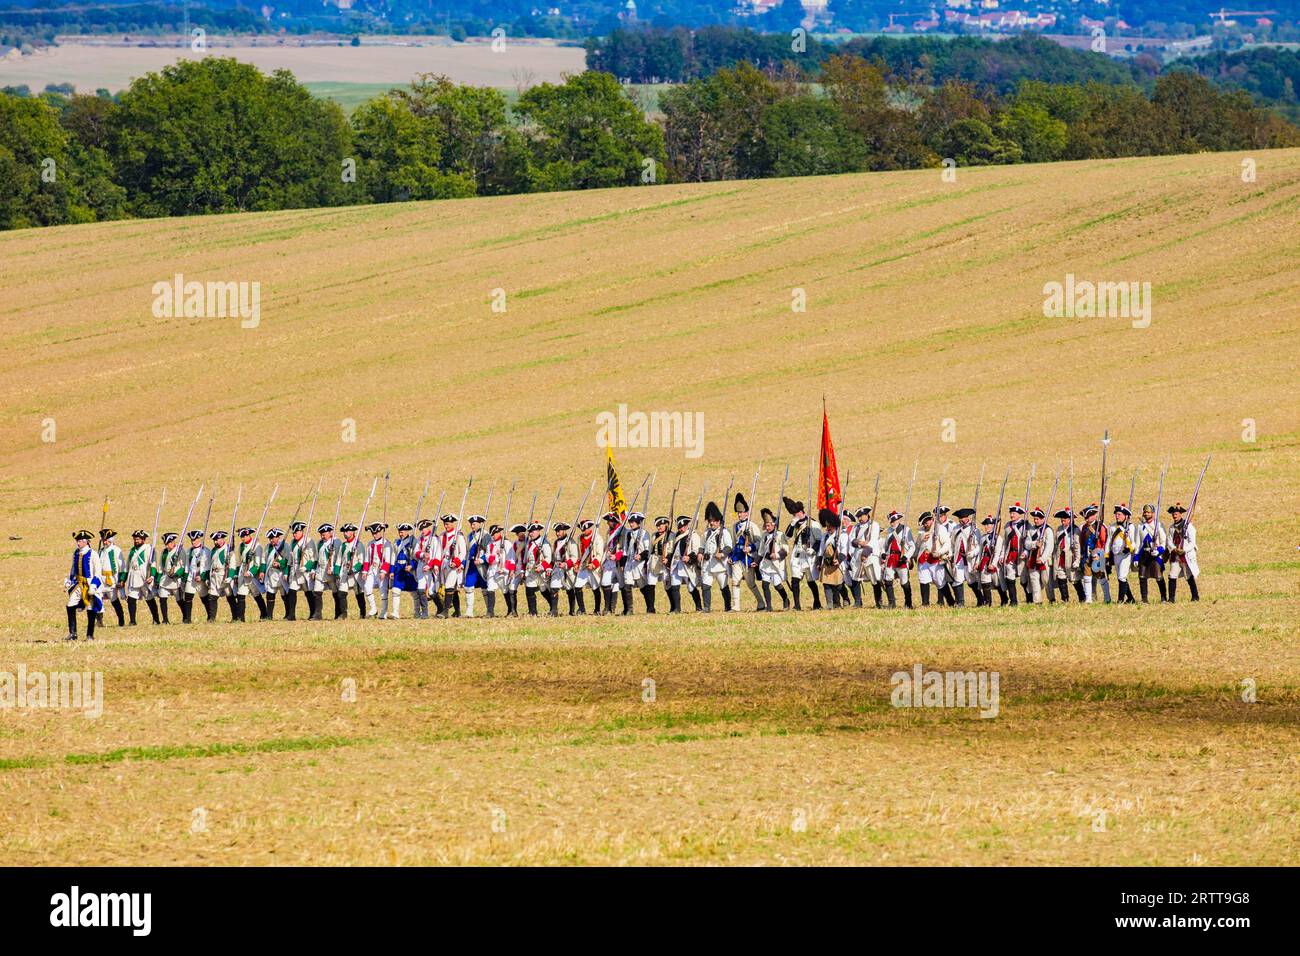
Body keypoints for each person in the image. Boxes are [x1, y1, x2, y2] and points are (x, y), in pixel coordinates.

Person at [64, 530, 103, 641]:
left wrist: (94, 586)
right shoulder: (76, 553)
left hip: (89, 584)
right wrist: (69, 581)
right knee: (70, 605)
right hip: (78, 584)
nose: (78, 543)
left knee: (91, 608)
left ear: (86, 542)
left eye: (80, 541)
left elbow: (98, 572)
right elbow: (73, 569)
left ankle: (90, 635)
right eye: (77, 540)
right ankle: (73, 633)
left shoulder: (93, 554)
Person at [730, 494, 765, 612]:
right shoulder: (734, 526)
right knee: (735, 581)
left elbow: (760, 542)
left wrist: (750, 549)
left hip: (748, 557)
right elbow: (734, 543)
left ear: (747, 513)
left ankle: (761, 603)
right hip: (738, 556)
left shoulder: (752, 525)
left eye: (742, 512)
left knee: (751, 583)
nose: (740, 514)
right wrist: (731, 556)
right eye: (738, 512)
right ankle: (736, 606)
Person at [785, 499, 822, 611]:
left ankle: (817, 602)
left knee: (810, 581)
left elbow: (819, 540)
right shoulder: (794, 524)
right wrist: (792, 524)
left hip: (808, 555)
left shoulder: (813, 523)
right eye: (793, 514)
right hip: (797, 555)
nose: (795, 516)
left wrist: (814, 550)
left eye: (796, 514)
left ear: (801, 511)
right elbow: (787, 537)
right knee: (795, 580)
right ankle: (797, 605)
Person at [699, 501, 732, 612]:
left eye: (714, 521)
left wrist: (722, 554)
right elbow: (702, 545)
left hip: (720, 565)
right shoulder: (707, 532)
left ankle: (728, 607)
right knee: (705, 585)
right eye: (710, 521)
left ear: (718, 521)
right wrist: (700, 553)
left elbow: (729, 546)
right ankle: (707, 607)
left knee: (723, 586)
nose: (712, 523)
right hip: (708, 563)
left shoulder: (724, 532)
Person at [915, 511, 951, 607]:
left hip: (936, 559)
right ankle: (925, 603)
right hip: (923, 559)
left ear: (931, 520)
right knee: (923, 580)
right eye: (924, 523)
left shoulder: (940, 529)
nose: (925, 524)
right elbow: (918, 545)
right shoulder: (921, 531)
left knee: (940, 582)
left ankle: (950, 602)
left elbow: (947, 544)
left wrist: (939, 552)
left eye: (926, 521)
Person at [757, 507, 790, 611]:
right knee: (765, 585)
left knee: (777, 585)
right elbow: (761, 551)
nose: (766, 527)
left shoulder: (780, 535)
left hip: (776, 564)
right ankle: (769, 606)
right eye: (765, 525)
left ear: (773, 525)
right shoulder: (764, 536)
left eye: (768, 525)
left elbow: (785, 550)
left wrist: (777, 555)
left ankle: (786, 600)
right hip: (766, 564)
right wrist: (756, 561)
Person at [1166, 503, 1200, 602]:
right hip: (1175, 555)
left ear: (1180, 514)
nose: (1174, 515)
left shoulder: (1188, 526)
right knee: (1172, 576)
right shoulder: (1172, 527)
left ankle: (1195, 596)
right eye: (1173, 513)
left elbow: (1192, 542)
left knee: (1188, 576)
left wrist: (1184, 550)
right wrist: (1174, 549)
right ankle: (1171, 599)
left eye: (1176, 513)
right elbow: (1169, 540)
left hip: (1185, 556)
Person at [881, 510, 915, 609]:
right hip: (891, 558)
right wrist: (883, 553)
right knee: (887, 580)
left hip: (901, 558)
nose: (893, 523)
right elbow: (885, 545)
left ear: (898, 520)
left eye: (894, 520)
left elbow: (912, 546)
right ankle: (892, 603)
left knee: (904, 582)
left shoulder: (906, 529)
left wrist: (906, 556)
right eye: (891, 521)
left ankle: (908, 603)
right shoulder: (889, 531)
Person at [668, 514, 701, 613]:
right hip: (676, 563)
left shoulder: (693, 535)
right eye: (679, 527)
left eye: (683, 526)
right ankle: (677, 609)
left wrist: (689, 557)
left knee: (691, 587)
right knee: (674, 586)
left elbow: (696, 550)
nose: (681, 528)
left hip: (687, 565)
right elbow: (672, 550)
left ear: (687, 525)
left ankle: (699, 606)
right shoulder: (676, 536)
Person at [850, 506, 882, 608]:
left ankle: (878, 602)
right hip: (857, 554)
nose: (859, 519)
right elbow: (852, 540)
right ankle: (858, 602)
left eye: (861, 516)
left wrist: (865, 553)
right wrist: (860, 543)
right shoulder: (856, 527)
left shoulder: (874, 525)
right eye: (858, 517)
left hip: (869, 554)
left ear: (867, 515)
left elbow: (872, 541)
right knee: (855, 577)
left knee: (874, 579)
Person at [1135, 504, 1168, 603]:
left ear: (1153, 514)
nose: (1146, 514)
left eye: (1148, 512)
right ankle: (1144, 599)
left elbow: (1164, 541)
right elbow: (1138, 543)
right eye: (1145, 512)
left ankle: (1163, 598)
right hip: (1144, 554)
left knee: (1159, 577)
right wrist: (1136, 557)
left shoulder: (1159, 525)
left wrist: (1159, 551)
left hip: (1155, 554)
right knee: (1142, 577)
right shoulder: (1140, 526)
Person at [124, 529, 157, 624]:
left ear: (143, 539)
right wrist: (123, 579)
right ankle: (132, 621)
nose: (136, 541)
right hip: (134, 577)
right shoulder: (132, 550)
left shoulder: (149, 549)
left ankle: (156, 619)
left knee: (149, 599)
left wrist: (152, 576)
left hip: (144, 577)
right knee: (131, 599)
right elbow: (128, 565)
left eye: (138, 539)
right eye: (135, 539)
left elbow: (153, 564)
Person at [1022, 507, 1054, 605]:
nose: (1035, 521)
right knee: (1034, 580)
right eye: (1034, 519)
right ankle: (1037, 601)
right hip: (1033, 558)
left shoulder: (1048, 530)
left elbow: (1049, 547)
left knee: (1046, 581)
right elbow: (1027, 543)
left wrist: (1043, 558)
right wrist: (1035, 544)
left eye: (1037, 519)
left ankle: (1051, 599)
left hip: (1044, 560)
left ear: (1042, 519)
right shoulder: (1031, 530)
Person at [1078, 505, 1110, 604]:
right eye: (1085, 518)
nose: (1086, 519)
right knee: (1087, 577)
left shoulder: (1101, 526)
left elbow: (1105, 542)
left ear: (1094, 516)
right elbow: (1082, 541)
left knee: (1101, 577)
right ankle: (1088, 599)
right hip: (1086, 555)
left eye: (1088, 517)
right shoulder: (1083, 527)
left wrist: (1100, 554)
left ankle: (1107, 598)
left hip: (1098, 554)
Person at [1050, 509, 1081, 603]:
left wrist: (1077, 560)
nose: (1063, 522)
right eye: (1062, 520)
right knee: (1061, 579)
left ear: (1070, 520)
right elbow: (1056, 544)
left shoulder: (1075, 530)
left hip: (1070, 557)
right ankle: (1065, 599)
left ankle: (1082, 597)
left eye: (1065, 520)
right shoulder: (1059, 529)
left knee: (1075, 580)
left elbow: (1077, 546)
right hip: (1060, 557)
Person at [948, 508, 978, 607]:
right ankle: (960, 602)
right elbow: (952, 543)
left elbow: (979, 545)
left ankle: (981, 599)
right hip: (958, 558)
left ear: (967, 517)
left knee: (971, 581)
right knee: (958, 579)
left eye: (963, 518)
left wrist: (973, 553)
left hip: (969, 558)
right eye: (960, 518)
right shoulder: (956, 528)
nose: (961, 520)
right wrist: (951, 555)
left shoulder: (974, 529)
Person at [389, 522, 418, 619]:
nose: (401, 534)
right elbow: (393, 557)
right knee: (395, 590)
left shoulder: (413, 541)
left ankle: (417, 612)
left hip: (409, 569)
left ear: (407, 531)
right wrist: (392, 570)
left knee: (414, 592)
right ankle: (395, 613)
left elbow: (416, 556)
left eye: (402, 532)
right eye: (399, 532)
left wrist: (412, 566)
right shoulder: (396, 543)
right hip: (399, 569)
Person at [97, 528, 125, 627]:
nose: (105, 542)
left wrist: (121, 580)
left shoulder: (116, 550)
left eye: (106, 539)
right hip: (101, 579)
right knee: (98, 599)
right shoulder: (100, 551)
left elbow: (122, 567)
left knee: (114, 600)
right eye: (103, 540)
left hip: (111, 579)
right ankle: (99, 621)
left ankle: (121, 620)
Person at [1110, 504, 1137, 604]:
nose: (1117, 516)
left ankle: (1120, 600)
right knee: (1121, 578)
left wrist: (1129, 548)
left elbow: (1134, 542)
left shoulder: (1131, 527)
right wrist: (1107, 555)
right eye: (1116, 514)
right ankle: (1131, 598)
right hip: (1116, 554)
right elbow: (1110, 541)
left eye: (1119, 514)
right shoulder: (1113, 527)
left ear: (1125, 516)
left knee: (1122, 577)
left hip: (1126, 555)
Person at [463, 515, 489, 618]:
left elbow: (490, 550)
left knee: (485, 588)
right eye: (471, 524)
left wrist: (482, 558)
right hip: (472, 565)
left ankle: (489, 610)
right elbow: (468, 551)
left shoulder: (486, 535)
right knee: (468, 587)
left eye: (474, 524)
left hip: (482, 565)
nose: (472, 526)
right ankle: (469, 611)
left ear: (479, 524)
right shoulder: (470, 535)